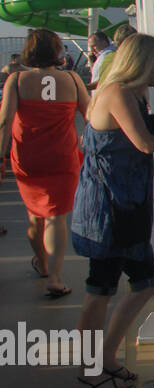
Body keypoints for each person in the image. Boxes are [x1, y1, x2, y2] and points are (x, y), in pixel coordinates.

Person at [70, 33, 154, 388]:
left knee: (145, 283)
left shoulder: (132, 95)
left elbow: (139, 132)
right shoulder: (118, 93)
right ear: (143, 62)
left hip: (125, 207)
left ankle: (104, 357)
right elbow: (144, 143)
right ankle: (90, 370)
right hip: (108, 210)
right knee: (100, 290)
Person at [0, 29, 90, 297]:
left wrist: (1, 155)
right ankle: (55, 277)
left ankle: (41, 263)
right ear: (57, 51)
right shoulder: (72, 79)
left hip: (28, 159)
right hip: (62, 157)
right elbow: (91, 116)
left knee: (34, 216)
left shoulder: (16, 80)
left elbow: (5, 121)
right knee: (56, 217)